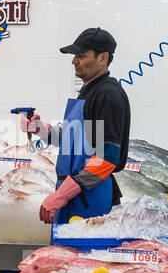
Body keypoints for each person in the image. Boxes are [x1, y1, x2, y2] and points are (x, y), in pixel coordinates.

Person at [22, 28, 131, 223]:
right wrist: (41, 129)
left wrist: (61, 195)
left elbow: (107, 158)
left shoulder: (107, 95)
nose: (74, 61)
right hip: (77, 197)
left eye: (81, 56)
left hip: (91, 200)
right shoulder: (89, 91)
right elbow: (74, 139)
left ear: (103, 58)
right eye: (75, 56)